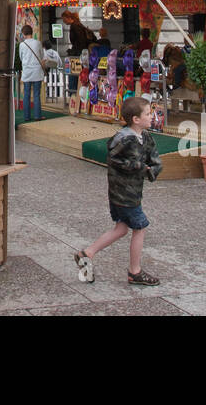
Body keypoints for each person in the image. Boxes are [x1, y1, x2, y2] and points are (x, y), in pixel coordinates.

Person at [73, 95, 162, 286]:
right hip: (124, 195)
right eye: (147, 113)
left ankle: (87, 253)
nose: (151, 116)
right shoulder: (125, 139)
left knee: (121, 229)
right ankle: (134, 271)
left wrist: (152, 169)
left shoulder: (145, 137)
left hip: (129, 194)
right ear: (136, 119)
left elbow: (154, 159)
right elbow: (116, 160)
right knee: (140, 228)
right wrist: (140, 167)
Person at [18, 24, 45, 122]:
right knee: (37, 94)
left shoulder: (22, 45)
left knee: (26, 94)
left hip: (27, 71)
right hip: (37, 71)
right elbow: (41, 55)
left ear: (23, 34)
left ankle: (26, 117)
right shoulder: (37, 43)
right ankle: (37, 116)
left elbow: (21, 58)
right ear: (32, 32)